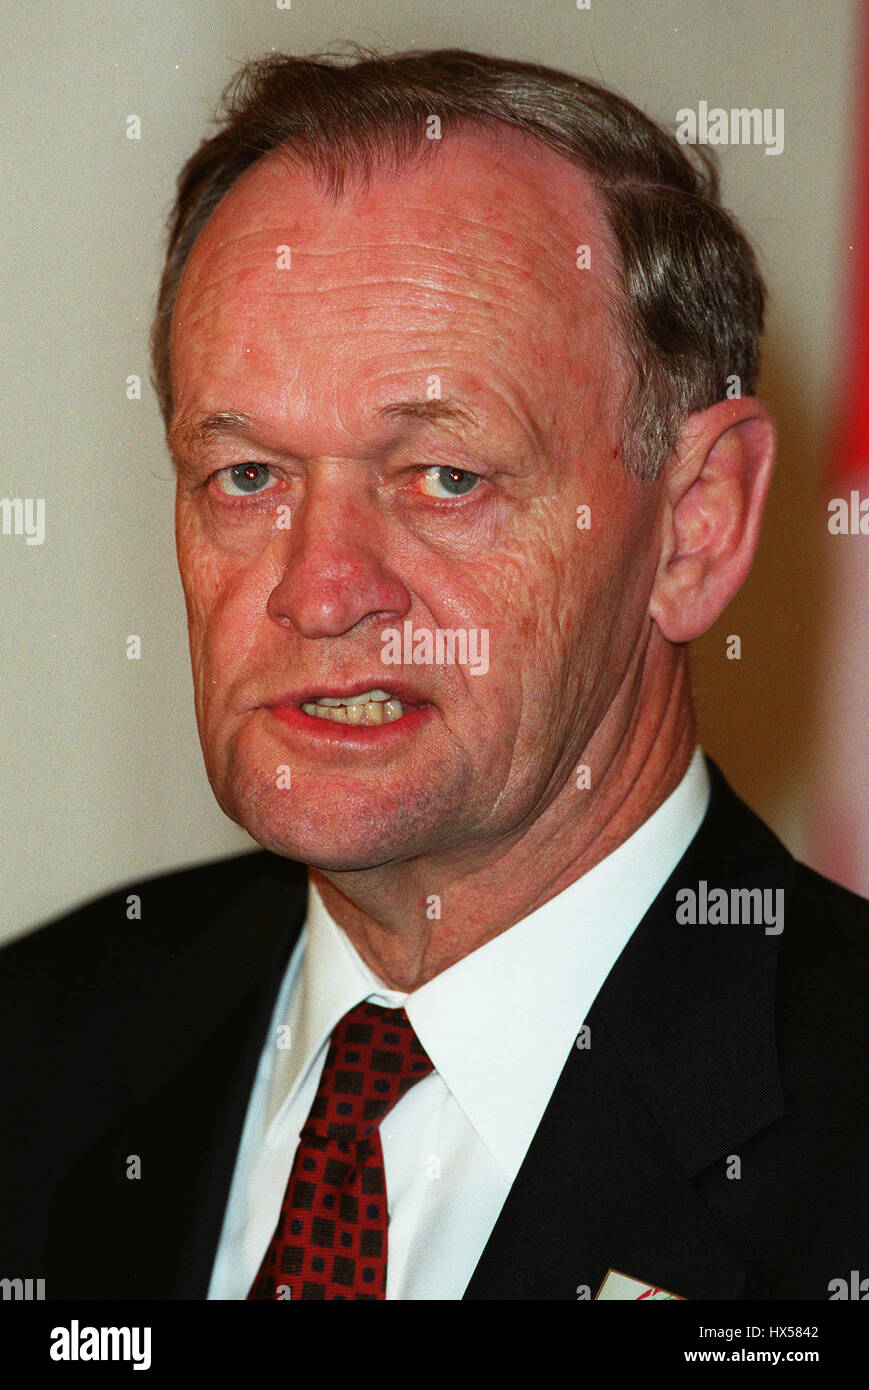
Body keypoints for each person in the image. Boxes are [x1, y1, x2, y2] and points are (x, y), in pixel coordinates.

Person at [1, 47, 866, 1302]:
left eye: (442, 477)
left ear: (695, 524)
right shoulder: (36, 1046)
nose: (319, 588)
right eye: (247, 477)